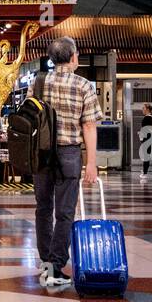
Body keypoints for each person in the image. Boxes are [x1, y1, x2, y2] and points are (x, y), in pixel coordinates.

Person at [33, 36, 99, 289]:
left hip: (41, 153)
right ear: (72, 57)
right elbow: (89, 125)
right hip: (69, 152)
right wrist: (91, 162)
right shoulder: (83, 85)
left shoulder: (38, 83)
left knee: (43, 208)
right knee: (65, 212)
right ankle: (56, 266)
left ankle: (45, 262)